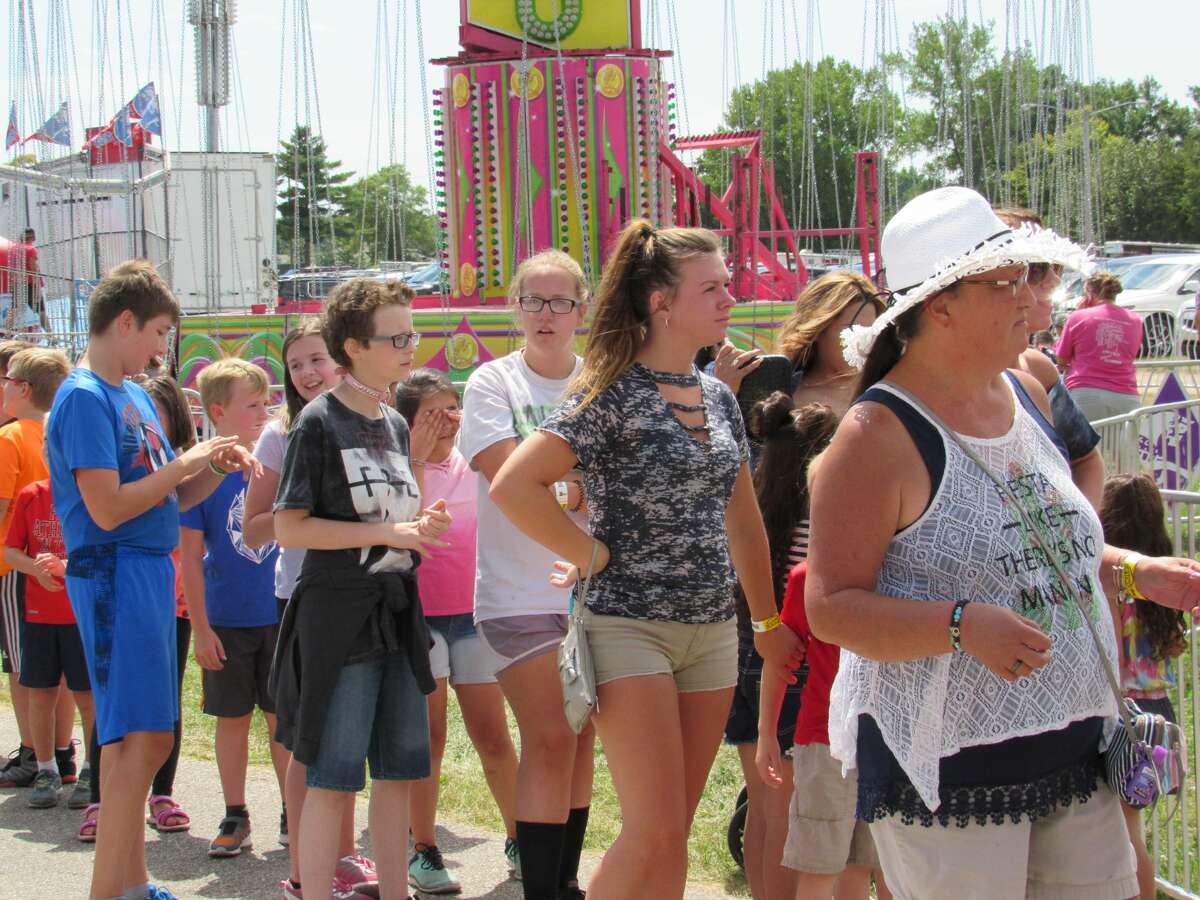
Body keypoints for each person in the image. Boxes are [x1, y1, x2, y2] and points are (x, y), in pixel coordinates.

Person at [805, 186, 1140, 899]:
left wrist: (1137, 572)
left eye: (1029, 277)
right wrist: (957, 626)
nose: (1032, 297)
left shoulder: (1028, 389)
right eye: (1007, 282)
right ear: (941, 306)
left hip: (1074, 744)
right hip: (953, 775)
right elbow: (831, 606)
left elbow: (1045, 543)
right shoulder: (874, 438)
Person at [491, 220, 801, 898]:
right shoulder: (608, 392)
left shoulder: (717, 394)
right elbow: (514, 485)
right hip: (629, 628)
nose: (731, 298)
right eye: (712, 288)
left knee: (675, 835)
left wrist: (767, 624)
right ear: (661, 302)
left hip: (713, 633)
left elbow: (743, 519)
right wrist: (590, 553)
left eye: (728, 284)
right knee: (653, 830)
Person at [45, 258, 258, 900]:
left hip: (142, 572)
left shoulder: (134, 395)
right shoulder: (83, 396)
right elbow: (108, 508)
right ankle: (114, 890)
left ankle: (129, 883)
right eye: (160, 331)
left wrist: (214, 464)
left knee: (143, 735)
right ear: (127, 320)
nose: (163, 347)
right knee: (137, 736)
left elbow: (167, 493)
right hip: (113, 572)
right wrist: (188, 459)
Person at [272, 277, 449, 900]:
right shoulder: (318, 422)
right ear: (354, 345)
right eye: (396, 337)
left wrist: (416, 526)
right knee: (333, 775)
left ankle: (396, 893)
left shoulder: (395, 423)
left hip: (397, 613)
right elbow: (288, 526)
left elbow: (388, 518)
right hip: (339, 616)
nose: (410, 345)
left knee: (400, 768)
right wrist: (389, 530)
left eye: (413, 333)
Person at [457, 249, 595, 900]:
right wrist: (577, 490)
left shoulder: (599, 383)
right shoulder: (492, 384)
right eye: (533, 301)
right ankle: (541, 886)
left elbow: (612, 482)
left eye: (560, 301)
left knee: (580, 737)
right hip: (515, 594)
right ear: (515, 307)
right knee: (548, 735)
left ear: (582, 308)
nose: (546, 314)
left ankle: (562, 882)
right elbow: (503, 476)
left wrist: (551, 486)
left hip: (590, 589)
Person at [243, 319, 380, 900]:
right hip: (306, 599)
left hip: (368, 593)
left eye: (316, 360)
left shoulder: (375, 421)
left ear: (344, 358)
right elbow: (253, 531)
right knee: (308, 740)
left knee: (348, 739)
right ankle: (305, 869)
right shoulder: (280, 437)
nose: (305, 373)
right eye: (295, 364)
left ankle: (342, 854)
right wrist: (310, 514)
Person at [396, 368, 519, 895]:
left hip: (472, 615)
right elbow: (399, 522)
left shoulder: (478, 460)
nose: (448, 421)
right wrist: (417, 460)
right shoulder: (399, 465)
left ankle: (522, 838)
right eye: (433, 413)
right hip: (417, 617)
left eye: (453, 409)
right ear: (406, 423)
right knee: (429, 736)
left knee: (492, 734)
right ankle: (423, 848)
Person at [756, 438, 890, 900]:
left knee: (862, 870)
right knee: (819, 871)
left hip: (884, 742)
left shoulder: (896, 574)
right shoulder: (805, 579)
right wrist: (766, 734)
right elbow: (781, 662)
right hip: (823, 741)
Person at [79, 373, 200, 840]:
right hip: (125, 587)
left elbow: (189, 526)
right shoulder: (122, 460)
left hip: (171, 601)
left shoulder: (175, 466)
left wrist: (209, 467)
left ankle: (160, 793)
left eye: (155, 412)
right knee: (114, 702)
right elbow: (108, 511)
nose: (143, 421)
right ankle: (100, 798)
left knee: (163, 709)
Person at [720, 393, 828, 900]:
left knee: (764, 807)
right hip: (794, 667)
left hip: (746, 656)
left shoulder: (755, 506)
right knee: (786, 810)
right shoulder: (816, 520)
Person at [181, 358, 288, 858]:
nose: (264, 410)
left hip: (281, 615)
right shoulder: (198, 474)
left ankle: (295, 810)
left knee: (282, 718)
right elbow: (191, 559)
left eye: (267, 400)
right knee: (232, 719)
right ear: (218, 412)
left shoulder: (279, 462)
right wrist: (200, 629)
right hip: (226, 620)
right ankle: (235, 812)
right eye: (253, 404)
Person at [0, 348, 91, 811]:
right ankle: (53, 761)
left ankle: (57, 761)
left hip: (51, 596)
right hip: (43, 591)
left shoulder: (14, 436)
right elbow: (14, 538)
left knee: (57, 683)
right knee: (47, 684)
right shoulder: (38, 486)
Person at [1099, 473, 1188, 900]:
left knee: (1123, 837)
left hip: (1125, 718)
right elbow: (1174, 647)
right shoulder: (1163, 586)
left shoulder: (1116, 584)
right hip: (1160, 716)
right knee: (1134, 832)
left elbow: (1112, 657)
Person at [993, 206, 1105, 507]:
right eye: (1038, 269)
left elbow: (1086, 460)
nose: (1055, 281)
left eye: (1058, 268)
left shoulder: (1038, 369)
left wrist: (1084, 541)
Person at [0, 338, 65, 792]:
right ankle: (58, 751)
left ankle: (31, 752)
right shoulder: (56, 430)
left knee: (25, 669)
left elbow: (4, 506)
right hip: (52, 562)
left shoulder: (11, 436)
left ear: (20, 387)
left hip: (14, 567)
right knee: (55, 671)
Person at [776, 271, 886, 416]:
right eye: (853, 329)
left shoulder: (889, 390)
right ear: (817, 330)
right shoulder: (783, 399)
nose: (864, 340)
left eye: (871, 331)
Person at [1056, 271, 1141, 422]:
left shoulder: (1078, 317)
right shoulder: (1135, 320)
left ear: (1089, 293)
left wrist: (1080, 312)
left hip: (1086, 391)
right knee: (1120, 446)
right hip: (1127, 396)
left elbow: (1062, 359)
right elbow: (1131, 354)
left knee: (1083, 445)